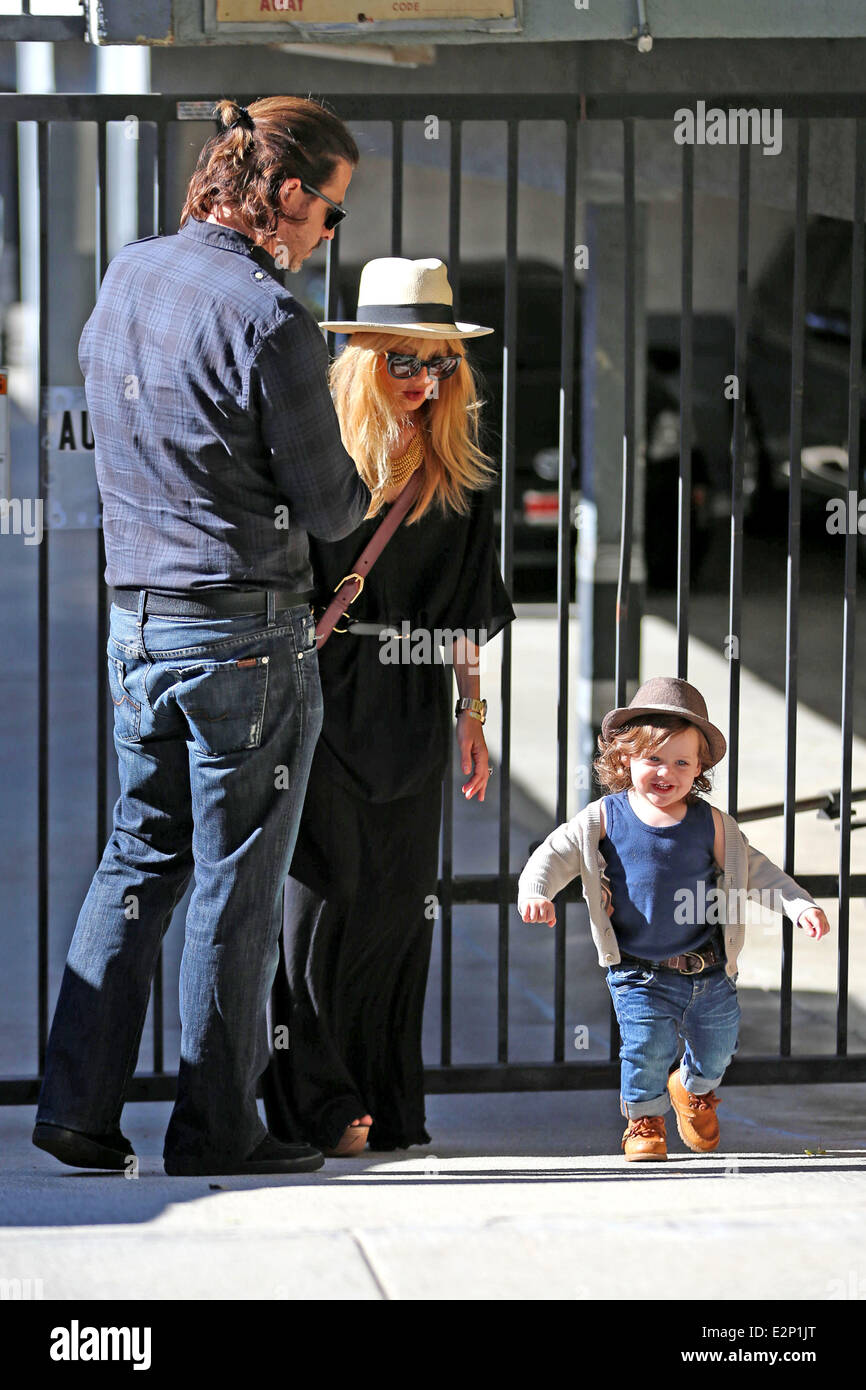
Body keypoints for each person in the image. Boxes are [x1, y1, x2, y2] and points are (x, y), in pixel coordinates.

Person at [33, 96, 371, 1178]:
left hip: (139, 626)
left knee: (138, 856)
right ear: (279, 196)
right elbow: (327, 509)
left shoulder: (130, 276)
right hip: (242, 635)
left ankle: (76, 1110)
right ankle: (215, 1128)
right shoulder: (272, 317)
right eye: (327, 213)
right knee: (235, 884)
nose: (329, 235)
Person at [262, 257, 515, 1155]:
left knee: (398, 907)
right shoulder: (319, 450)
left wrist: (473, 712)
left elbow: (464, 607)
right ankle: (316, 1099)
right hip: (321, 694)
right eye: (402, 361)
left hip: (410, 703)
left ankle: (382, 1094)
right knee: (321, 899)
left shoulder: (460, 470)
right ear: (362, 359)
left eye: (438, 362)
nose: (422, 381)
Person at [518, 677, 830, 1161]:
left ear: (700, 767)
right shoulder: (603, 818)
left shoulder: (713, 825)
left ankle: (692, 1089)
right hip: (638, 972)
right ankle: (644, 1122)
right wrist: (536, 891)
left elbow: (758, 871)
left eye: (682, 762)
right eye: (653, 760)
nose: (667, 772)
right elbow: (553, 854)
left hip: (708, 971)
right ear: (625, 758)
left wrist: (798, 904)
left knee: (719, 1050)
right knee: (643, 1050)